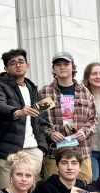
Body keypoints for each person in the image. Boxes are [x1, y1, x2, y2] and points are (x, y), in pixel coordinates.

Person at [0, 48, 48, 192]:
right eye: (13, 63)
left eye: (21, 62)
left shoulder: (33, 89)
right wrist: (17, 112)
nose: (18, 65)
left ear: (27, 65)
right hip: (7, 151)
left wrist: (41, 148)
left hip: (32, 150)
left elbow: (41, 120)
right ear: (6, 68)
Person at [37, 52, 96, 181]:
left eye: (66, 64)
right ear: (53, 69)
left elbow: (93, 120)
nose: (62, 67)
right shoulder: (45, 92)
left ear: (73, 67)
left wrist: (85, 131)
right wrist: (51, 133)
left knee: (82, 189)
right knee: (54, 189)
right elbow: (38, 120)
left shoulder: (85, 92)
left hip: (81, 151)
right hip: (55, 153)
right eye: (58, 65)